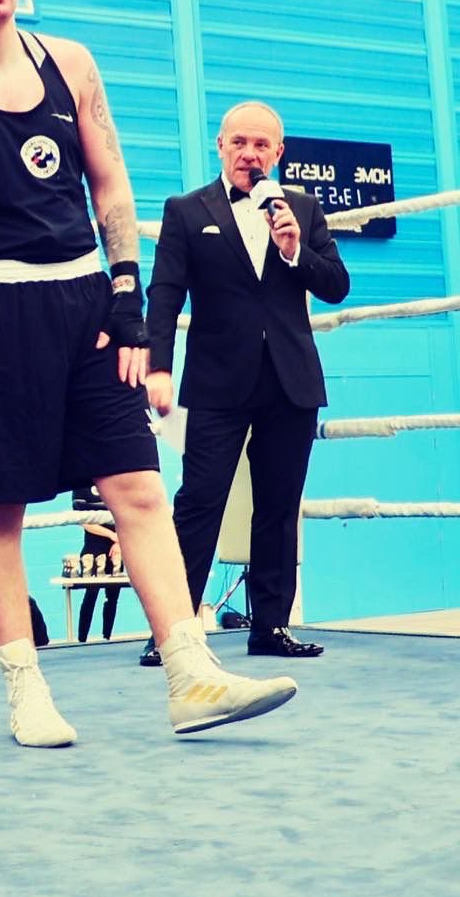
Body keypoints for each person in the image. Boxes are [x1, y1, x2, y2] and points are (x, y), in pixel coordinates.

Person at [0, 0, 299, 745]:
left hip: (88, 304)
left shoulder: (71, 64)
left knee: (137, 486)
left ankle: (189, 671)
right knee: (0, 509)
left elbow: (113, 189)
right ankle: (26, 689)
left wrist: (128, 299)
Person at [143, 101, 349, 664]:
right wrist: (157, 366)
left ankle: (271, 627)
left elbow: (336, 285)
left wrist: (293, 250)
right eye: (240, 143)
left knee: (279, 507)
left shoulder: (303, 210)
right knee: (198, 503)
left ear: (278, 153)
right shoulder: (186, 211)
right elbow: (164, 294)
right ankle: (174, 631)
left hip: (290, 382)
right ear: (221, 145)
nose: (250, 154)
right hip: (215, 383)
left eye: (262, 145)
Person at [73, 486, 123, 643]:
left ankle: (107, 637)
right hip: (93, 550)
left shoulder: (116, 484)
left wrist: (119, 542)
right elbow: (83, 522)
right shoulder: (81, 488)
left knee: (112, 596)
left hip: (115, 550)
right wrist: (112, 535)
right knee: (91, 594)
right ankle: (82, 639)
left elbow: (126, 517)